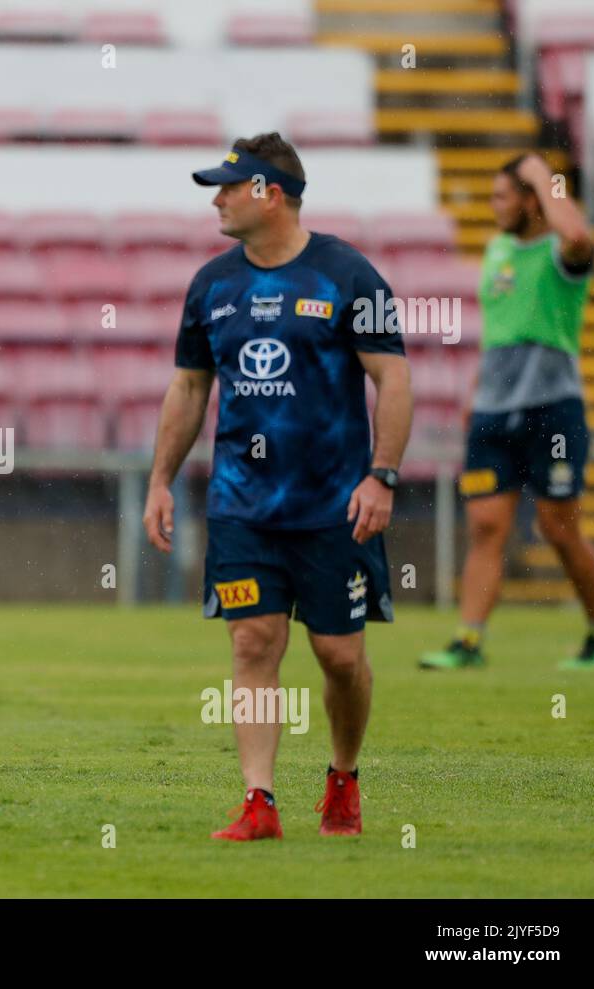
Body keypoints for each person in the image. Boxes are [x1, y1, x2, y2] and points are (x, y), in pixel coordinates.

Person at [143, 133, 412, 840]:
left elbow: (393, 378)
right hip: (242, 507)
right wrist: (161, 481)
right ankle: (259, 800)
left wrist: (382, 475)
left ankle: (344, 775)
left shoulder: (349, 276)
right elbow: (189, 387)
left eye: (230, 186)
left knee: (339, 656)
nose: (218, 199)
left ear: (271, 193)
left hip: (335, 507)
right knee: (254, 643)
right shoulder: (213, 285)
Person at [420, 154, 594, 671]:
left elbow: (578, 237)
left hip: (553, 410)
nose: (494, 206)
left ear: (531, 200)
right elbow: (499, 332)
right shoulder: (499, 249)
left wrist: (544, 176)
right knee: (484, 528)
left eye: (504, 196)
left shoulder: (562, 253)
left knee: (559, 528)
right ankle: (468, 641)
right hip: (493, 413)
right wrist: (476, 394)